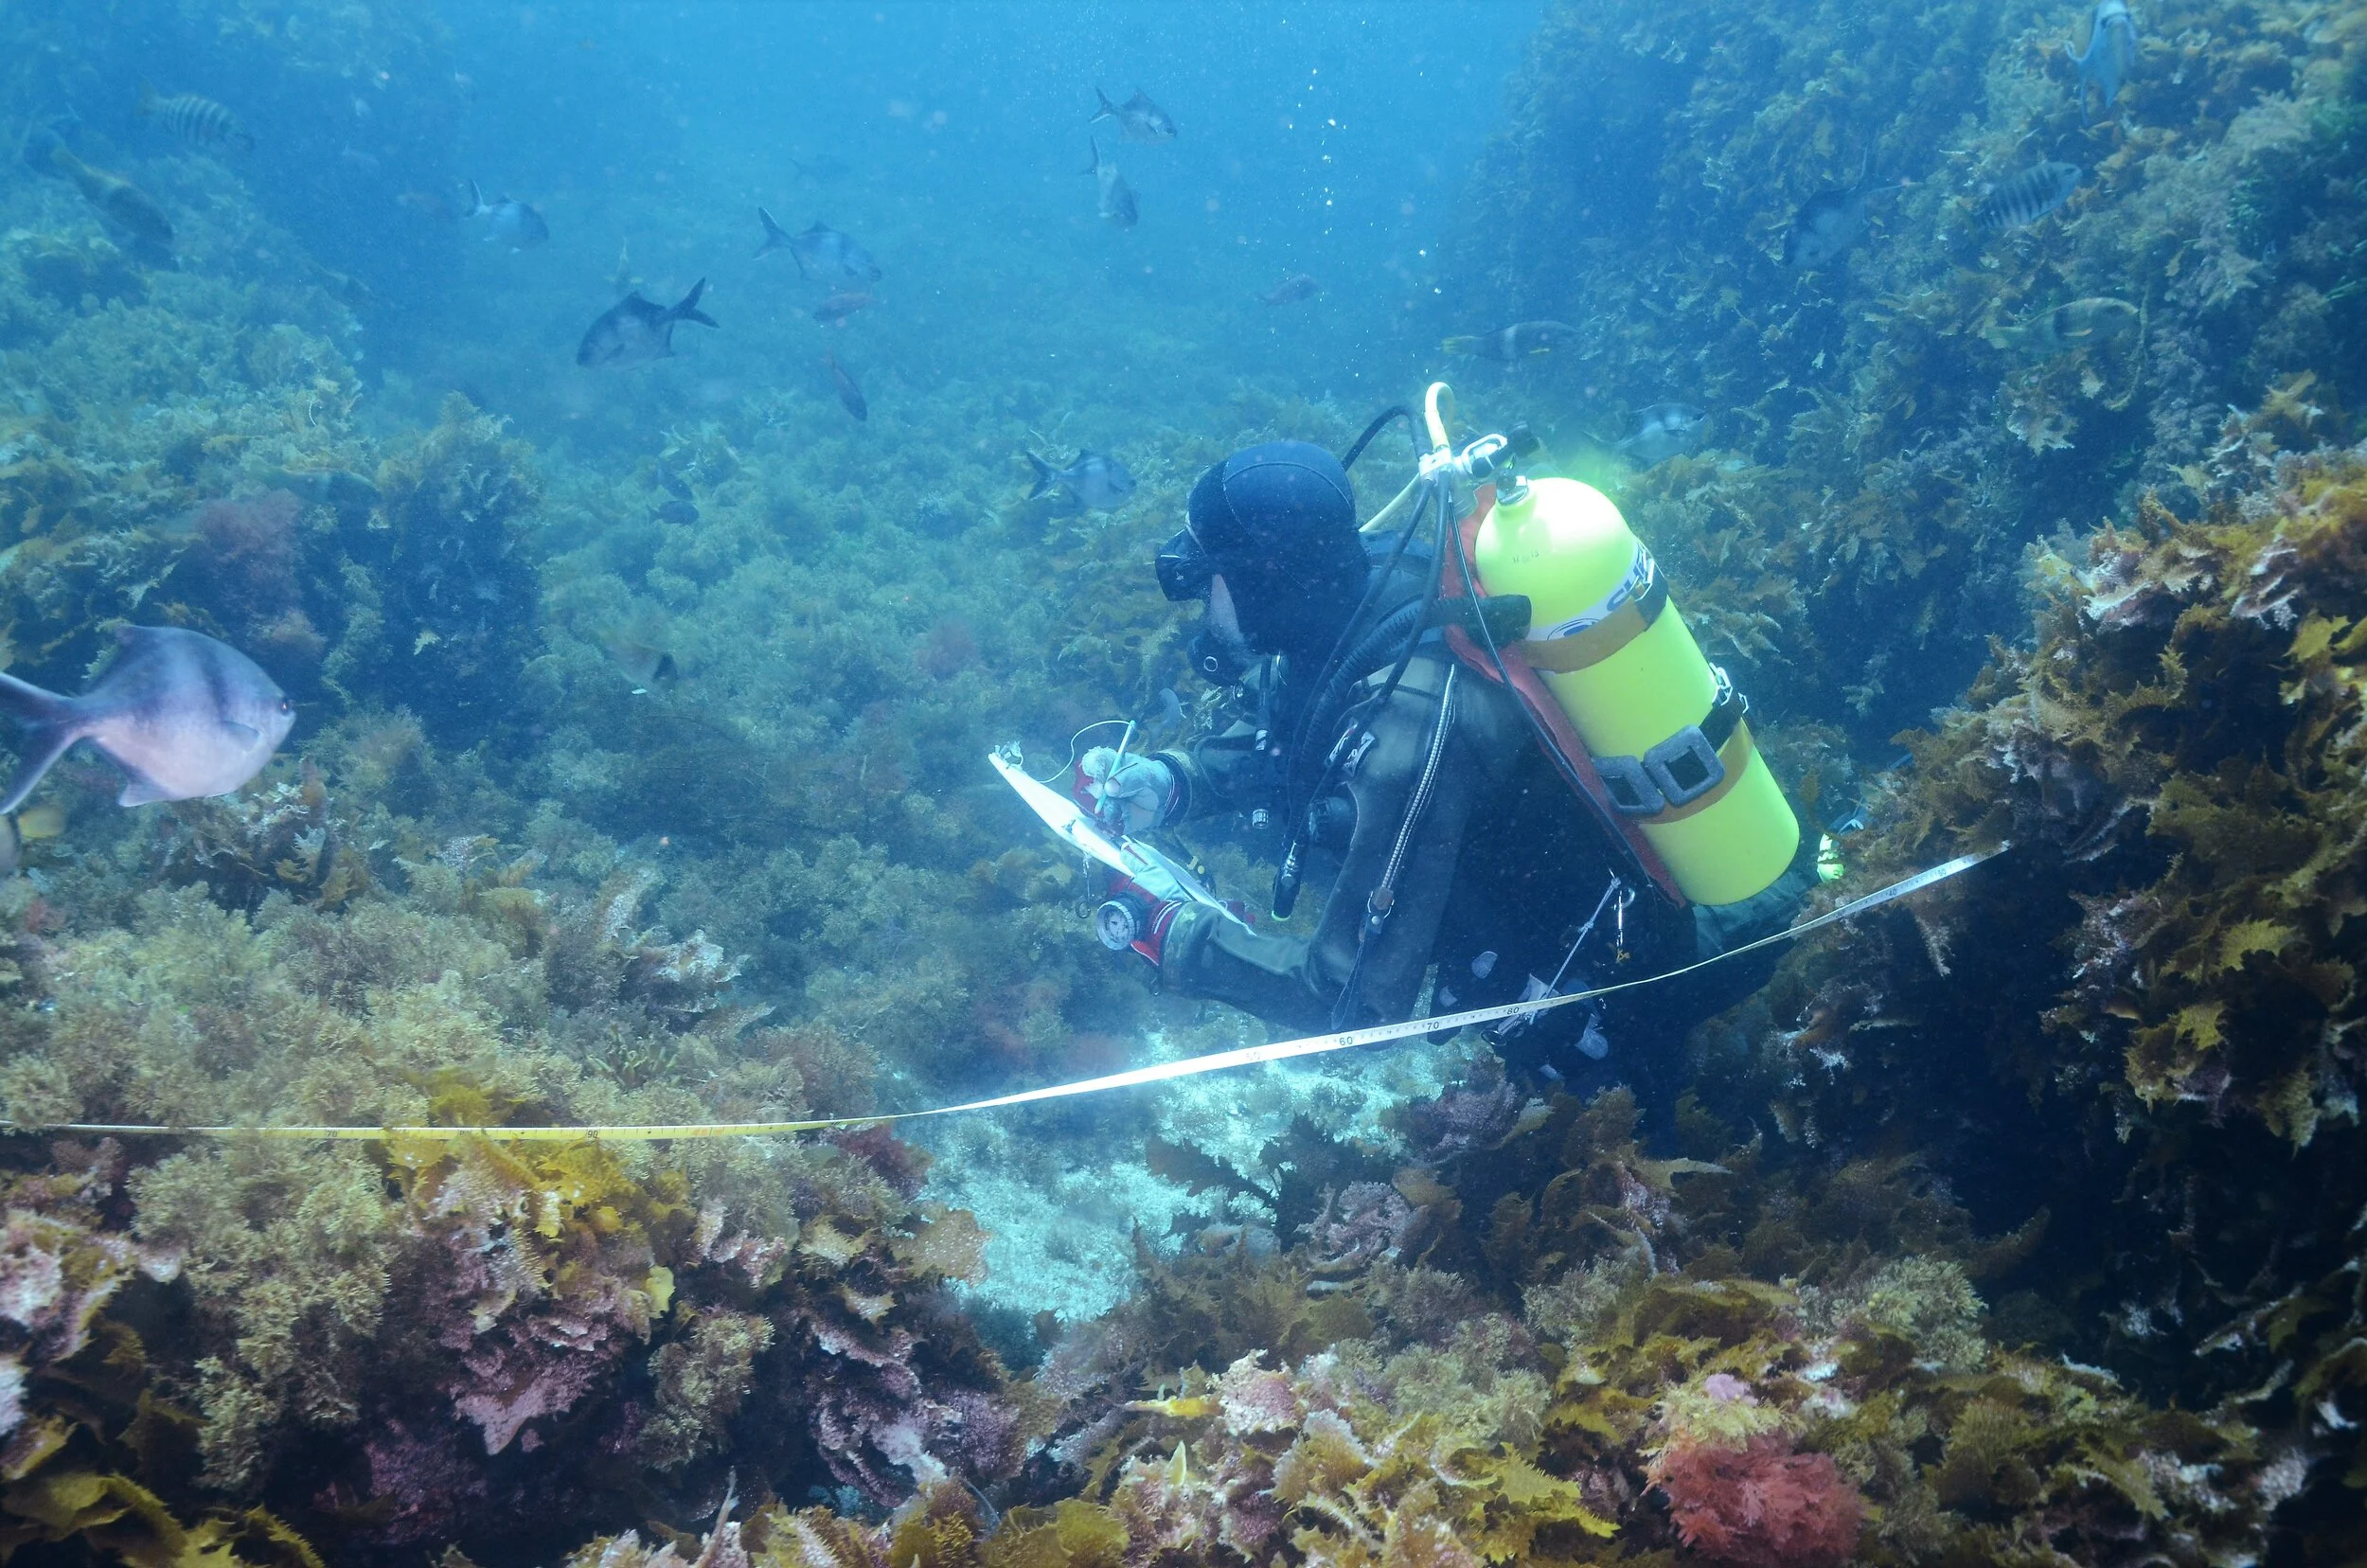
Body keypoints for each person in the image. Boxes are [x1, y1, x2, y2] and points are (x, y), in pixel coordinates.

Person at [1074, 438, 1821, 1120]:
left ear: (1263, 585)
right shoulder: (1373, 582)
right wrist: (1175, 782)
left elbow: (1357, 1007)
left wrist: (1167, 935)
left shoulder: (1410, 732)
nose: (1199, 601)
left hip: (1639, 996)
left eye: (1208, 579)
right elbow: (1291, 714)